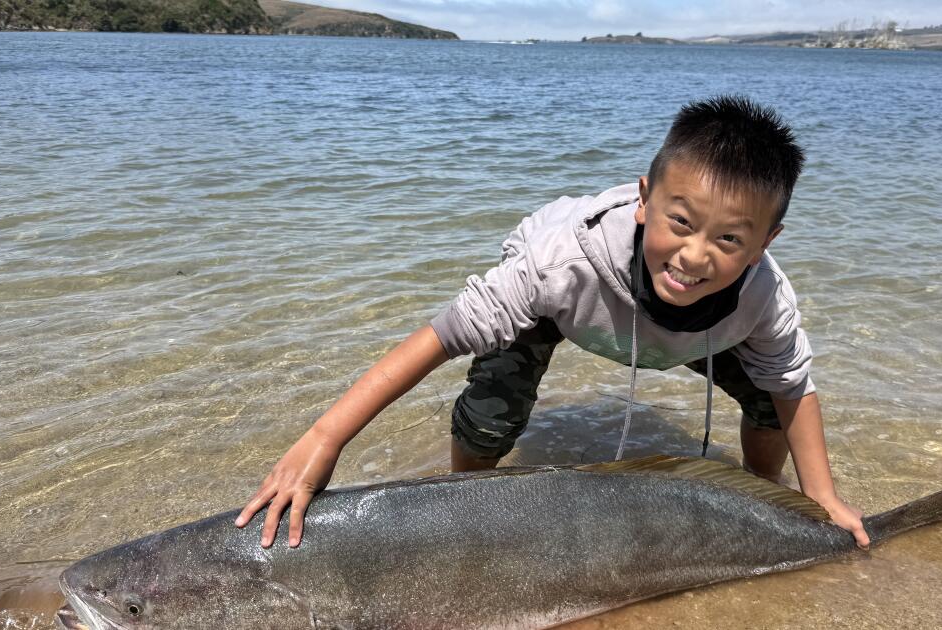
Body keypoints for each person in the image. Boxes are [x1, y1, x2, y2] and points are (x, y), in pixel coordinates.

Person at [236, 96, 871, 550]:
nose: (696, 255)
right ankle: (466, 503)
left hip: (705, 334)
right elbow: (443, 336)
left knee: (767, 402)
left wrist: (818, 499)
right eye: (681, 221)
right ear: (645, 200)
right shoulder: (558, 266)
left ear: (766, 241)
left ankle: (766, 498)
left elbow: (793, 386)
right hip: (567, 309)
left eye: (730, 237)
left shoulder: (762, 294)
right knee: (490, 410)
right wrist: (324, 439)